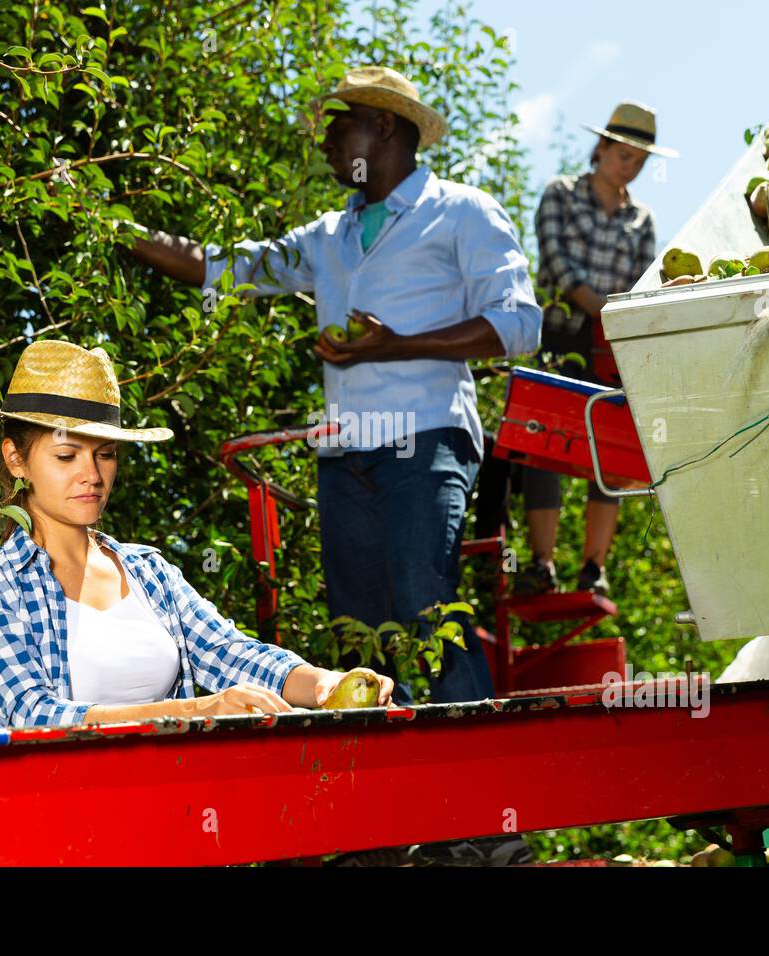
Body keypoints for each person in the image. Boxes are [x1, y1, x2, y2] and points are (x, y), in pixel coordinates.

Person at [124, 65, 542, 703]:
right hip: (345, 451)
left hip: (426, 439)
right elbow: (227, 266)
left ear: (382, 126)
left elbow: (519, 323)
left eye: (337, 126)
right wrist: (119, 232)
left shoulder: (461, 213)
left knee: (423, 606)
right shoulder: (329, 236)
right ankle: (387, 778)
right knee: (358, 629)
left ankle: (472, 757)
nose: (324, 142)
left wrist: (398, 344)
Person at [0, 339, 393, 727]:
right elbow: (33, 715)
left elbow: (231, 654)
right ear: (15, 459)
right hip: (56, 811)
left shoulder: (150, 573)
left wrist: (323, 682)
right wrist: (195, 711)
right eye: (66, 456)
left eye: (105, 454)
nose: (92, 475)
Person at [509, 101, 675, 598]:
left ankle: (593, 567)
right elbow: (560, 270)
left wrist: (622, 322)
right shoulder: (560, 194)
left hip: (611, 348)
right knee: (544, 445)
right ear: (600, 147)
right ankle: (542, 562)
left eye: (640, 161)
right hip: (561, 336)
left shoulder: (641, 219)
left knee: (611, 451)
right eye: (624, 155)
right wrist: (609, 311)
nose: (631, 167)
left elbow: (642, 285)